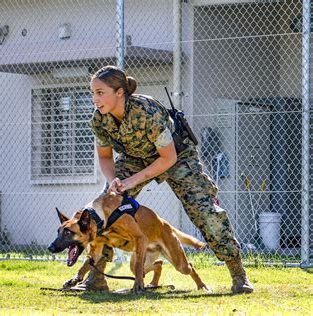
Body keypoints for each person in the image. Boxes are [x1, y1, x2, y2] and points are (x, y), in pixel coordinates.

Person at [71, 65, 253, 294]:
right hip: (134, 159)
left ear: (119, 92)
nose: (95, 99)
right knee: (104, 209)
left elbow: (167, 158)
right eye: (92, 93)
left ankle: (238, 274)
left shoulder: (146, 111)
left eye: (100, 92)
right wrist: (114, 182)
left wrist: (131, 182)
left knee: (205, 212)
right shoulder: (99, 119)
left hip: (176, 157)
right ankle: (96, 277)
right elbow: (105, 157)